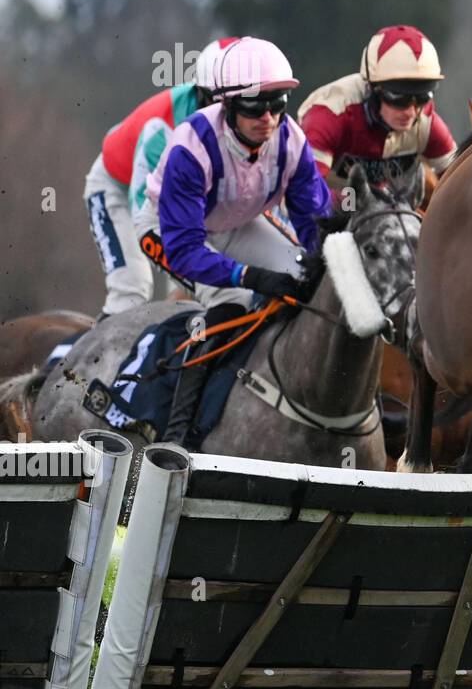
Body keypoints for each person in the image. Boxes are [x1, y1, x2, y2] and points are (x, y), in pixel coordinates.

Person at [137, 36, 332, 445]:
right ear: (227, 106)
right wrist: (250, 276)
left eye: (277, 104)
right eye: (255, 107)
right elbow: (186, 250)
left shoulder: (291, 140)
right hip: (171, 231)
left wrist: (323, 258)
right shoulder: (192, 147)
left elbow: (314, 221)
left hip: (237, 223)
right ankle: (177, 433)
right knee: (235, 300)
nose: (268, 118)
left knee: (307, 278)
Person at [82, 36, 235, 318]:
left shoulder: (259, 125)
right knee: (131, 294)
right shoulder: (165, 130)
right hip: (119, 189)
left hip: (181, 198)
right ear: (202, 94)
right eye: (225, 106)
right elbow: (148, 219)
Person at [298, 24, 457, 208]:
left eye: (422, 97)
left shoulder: (427, 121)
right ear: (372, 89)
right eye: (399, 98)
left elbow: (463, 182)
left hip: (383, 214)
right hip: (317, 214)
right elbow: (304, 194)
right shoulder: (329, 115)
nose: (411, 112)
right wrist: (356, 203)